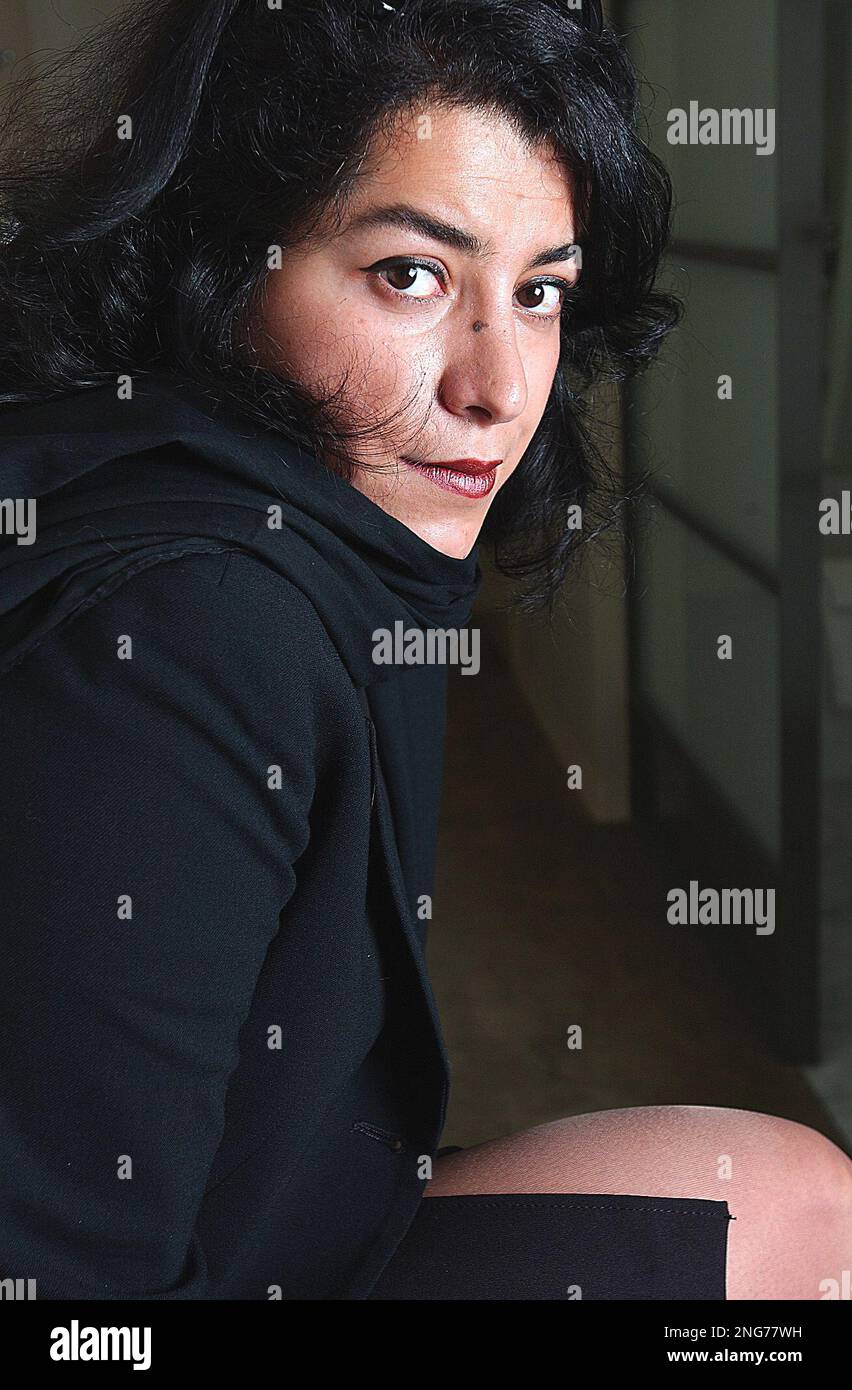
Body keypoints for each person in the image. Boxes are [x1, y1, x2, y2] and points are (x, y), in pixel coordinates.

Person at [0, 0, 848, 1301]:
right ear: (226, 266)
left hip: (286, 1220)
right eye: (413, 274)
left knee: (803, 1201)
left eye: (539, 292)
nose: (498, 386)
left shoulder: (299, 527)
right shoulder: (193, 635)